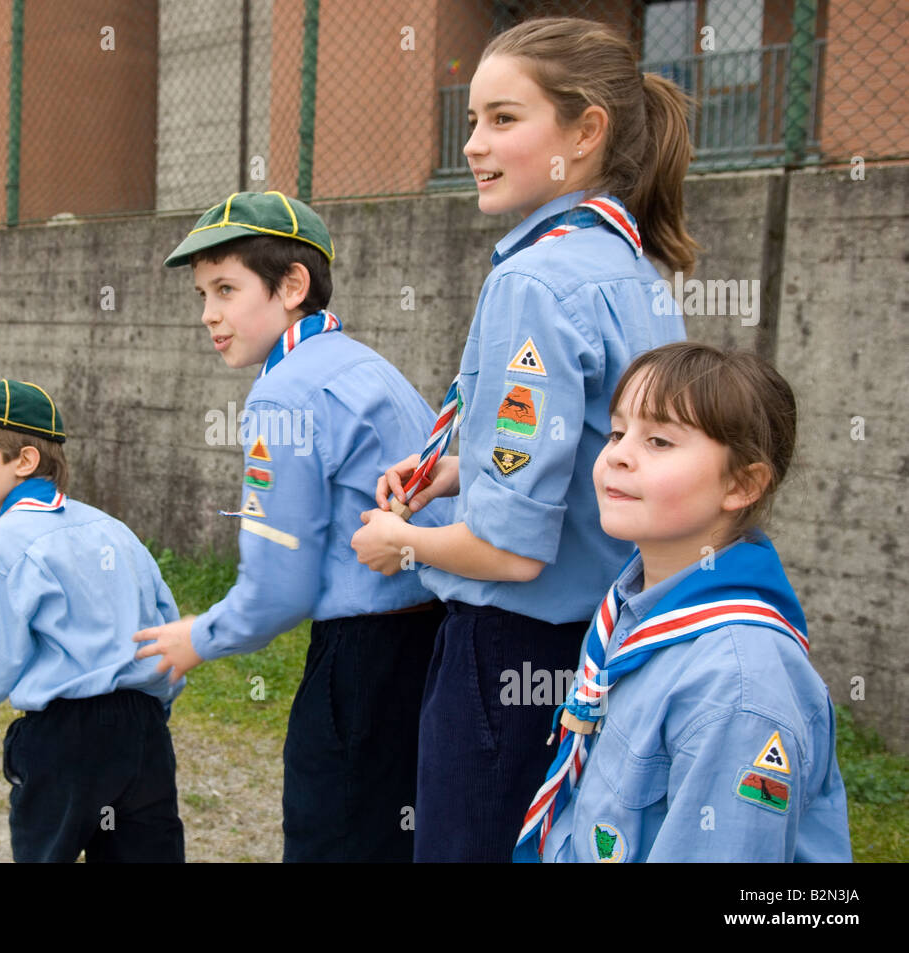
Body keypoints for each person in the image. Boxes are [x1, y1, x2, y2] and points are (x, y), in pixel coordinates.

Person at [351, 16, 691, 861]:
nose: (472, 144)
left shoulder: (533, 281)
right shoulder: (632, 270)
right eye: (472, 121)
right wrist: (461, 471)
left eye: (504, 119)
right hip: (605, 639)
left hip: (508, 661)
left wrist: (400, 543)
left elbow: (510, 554)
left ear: (585, 133)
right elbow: (592, 455)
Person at [134, 190, 452, 862]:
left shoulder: (285, 391)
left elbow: (281, 585)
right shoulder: (369, 365)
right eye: (201, 294)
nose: (208, 315)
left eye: (225, 288)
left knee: (332, 836)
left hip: (359, 666)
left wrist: (200, 636)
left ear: (292, 285)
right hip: (430, 645)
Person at [515, 342, 851, 862]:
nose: (619, 454)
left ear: (741, 484)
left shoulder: (737, 690)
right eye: (618, 432)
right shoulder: (633, 608)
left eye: (659, 441)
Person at [0, 379, 185, 863]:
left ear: (23, 460)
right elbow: (167, 634)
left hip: (64, 743)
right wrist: (150, 715)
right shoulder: (115, 530)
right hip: (144, 736)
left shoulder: (5, 543)